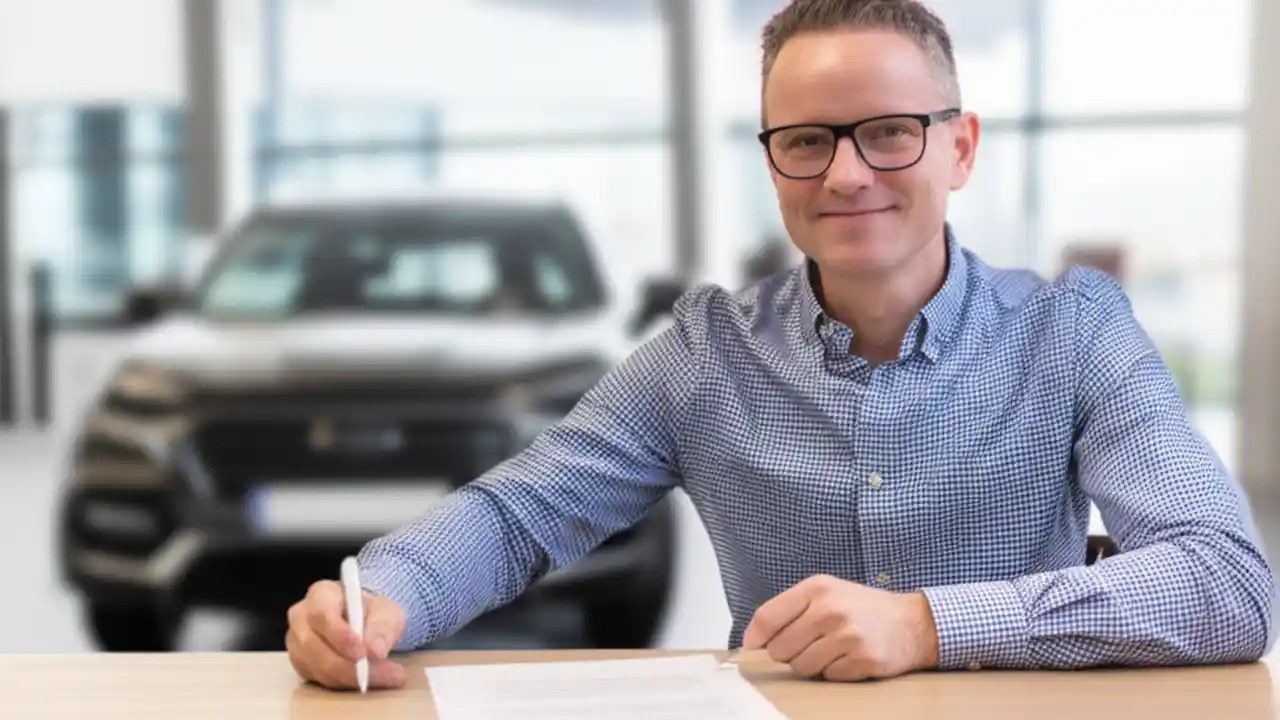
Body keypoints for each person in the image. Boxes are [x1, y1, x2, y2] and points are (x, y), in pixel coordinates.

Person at [285, 0, 1275, 689]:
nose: (845, 173)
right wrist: (381, 599)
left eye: (888, 132)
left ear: (959, 147)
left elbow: (1224, 583)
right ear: (773, 163)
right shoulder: (703, 354)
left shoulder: (1072, 333)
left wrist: (930, 626)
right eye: (805, 140)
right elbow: (519, 515)